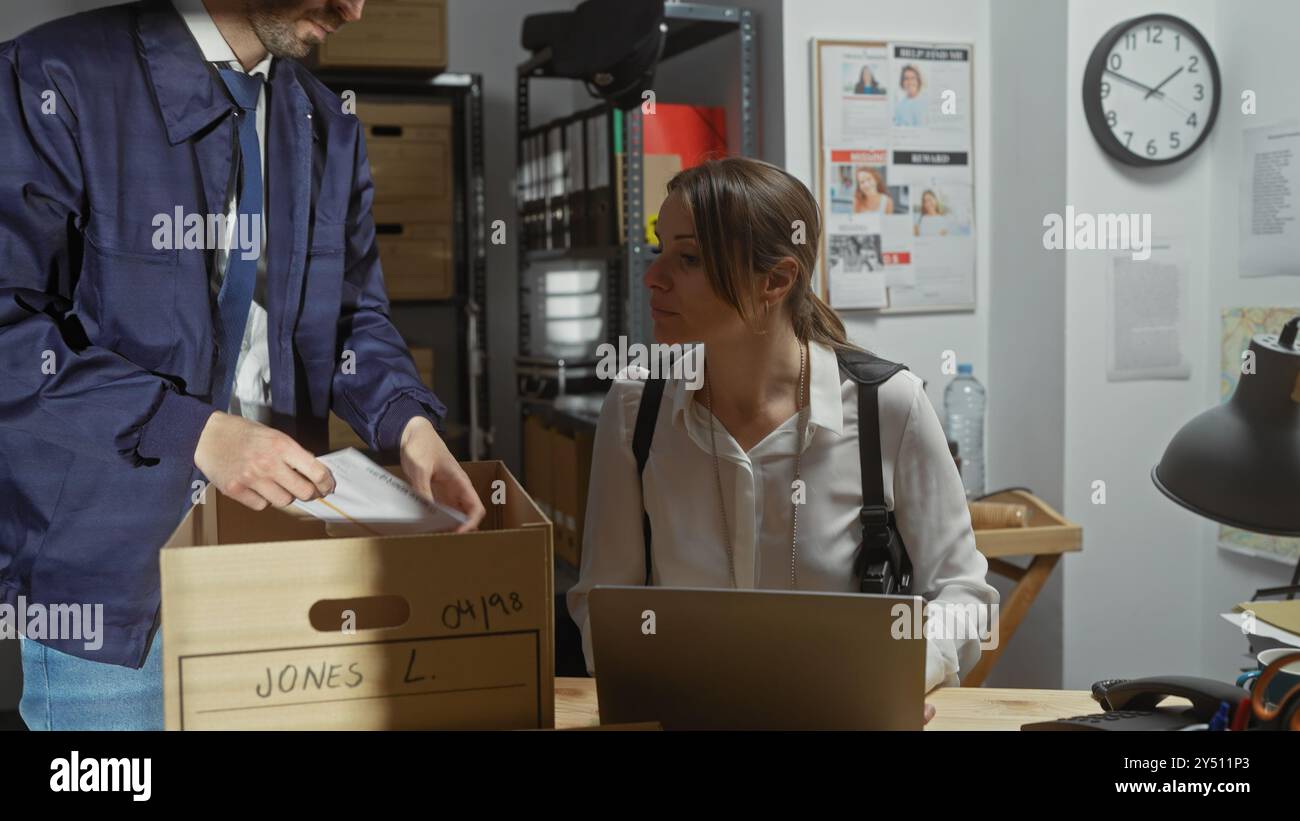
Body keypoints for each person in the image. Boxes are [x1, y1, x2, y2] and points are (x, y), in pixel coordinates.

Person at [0, 0, 485, 730]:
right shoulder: (53, 76)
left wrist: (406, 422)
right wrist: (192, 431)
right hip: (108, 591)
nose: (353, 9)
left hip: (273, 567)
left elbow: (352, 314)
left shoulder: (325, 123)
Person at [567, 157, 998, 722]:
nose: (654, 275)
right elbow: (603, 603)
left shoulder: (887, 406)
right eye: (660, 248)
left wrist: (896, 674)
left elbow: (964, 596)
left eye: (689, 257)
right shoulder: (634, 410)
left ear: (776, 279)